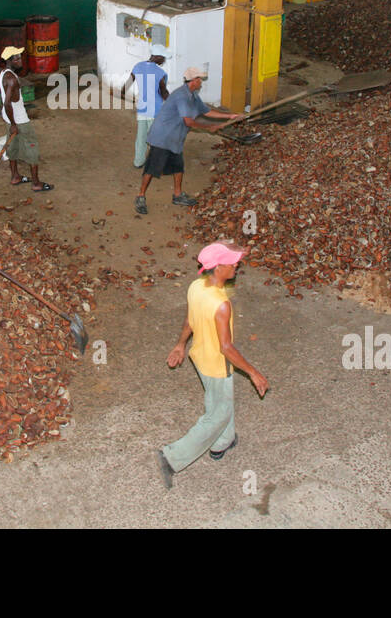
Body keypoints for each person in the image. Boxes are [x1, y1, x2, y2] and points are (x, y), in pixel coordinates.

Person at [157, 241, 268, 489]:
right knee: (217, 415)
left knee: (220, 400)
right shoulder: (221, 305)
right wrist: (253, 373)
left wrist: (180, 345)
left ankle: (222, 443)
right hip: (217, 365)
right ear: (218, 268)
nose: (237, 265)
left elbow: (190, 319)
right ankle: (171, 457)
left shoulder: (196, 286)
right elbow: (226, 348)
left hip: (199, 356)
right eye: (232, 263)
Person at [135, 66, 239, 215]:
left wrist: (229, 116)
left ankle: (177, 195)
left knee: (178, 167)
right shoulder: (182, 96)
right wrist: (209, 127)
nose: (201, 82)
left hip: (175, 138)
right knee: (152, 168)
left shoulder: (193, 96)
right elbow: (188, 122)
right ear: (194, 81)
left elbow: (207, 111)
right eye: (200, 80)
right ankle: (140, 196)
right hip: (162, 137)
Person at [0, 45, 52, 192]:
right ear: (9, 61)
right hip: (19, 121)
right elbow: (7, 103)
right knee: (32, 149)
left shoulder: (3, 73)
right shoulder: (12, 80)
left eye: (19, 57)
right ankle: (36, 183)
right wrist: (15, 124)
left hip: (9, 119)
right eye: (16, 58)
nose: (20, 60)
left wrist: (10, 122)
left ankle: (15, 176)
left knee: (12, 147)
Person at [121, 53, 168, 169]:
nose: (164, 61)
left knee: (141, 137)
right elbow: (163, 93)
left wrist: (122, 92)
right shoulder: (160, 73)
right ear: (157, 56)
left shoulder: (138, 67)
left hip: (142, 109)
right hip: (155, 110)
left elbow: (128, 83)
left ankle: (138, 161)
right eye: (163, 58)